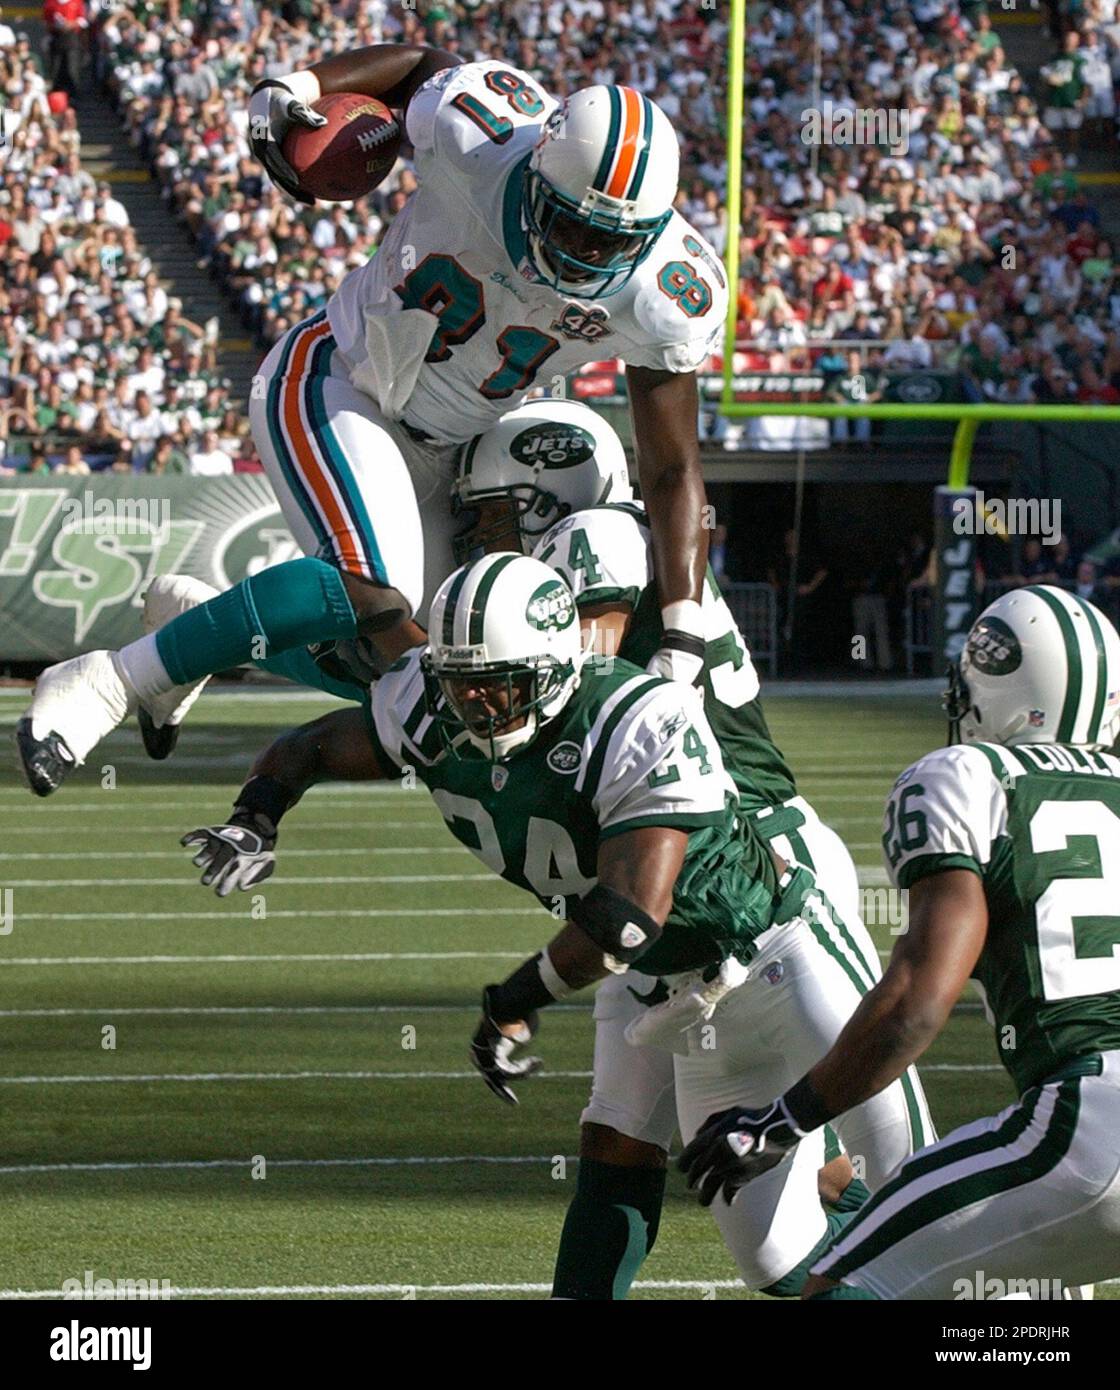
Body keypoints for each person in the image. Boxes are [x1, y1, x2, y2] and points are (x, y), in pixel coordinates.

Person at [179, 553, 930, 1299]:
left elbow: (628, 918)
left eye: (495, 687)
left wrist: (511, 1000)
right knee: (774, 1262)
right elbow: (307, 746)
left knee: (921, 1195)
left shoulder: (639, 716)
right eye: (460, 684)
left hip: (780, 955)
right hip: (684, 998)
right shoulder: (431, 705)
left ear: (555, 668)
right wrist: (256, 817)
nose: (474, 707)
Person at [18, 45, 727, 800]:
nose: (584, 254)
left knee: (431, 674)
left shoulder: (665, 292)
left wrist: (682, 638)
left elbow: (673, 464)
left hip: (458, 446)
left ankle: (192, 627)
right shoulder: (482, 136)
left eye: (609, 242)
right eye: (570, 224)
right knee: (375, 588)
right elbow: (420, 65)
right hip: (341, 383)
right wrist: (301, 83)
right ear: (536, 176)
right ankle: (107, 680)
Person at [679, 585, 1120, 1300]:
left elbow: (917, 1003)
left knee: (847, 1285)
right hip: (1090, 1133)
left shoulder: (969, 779)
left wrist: (781, 1122)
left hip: (1090, 1127)